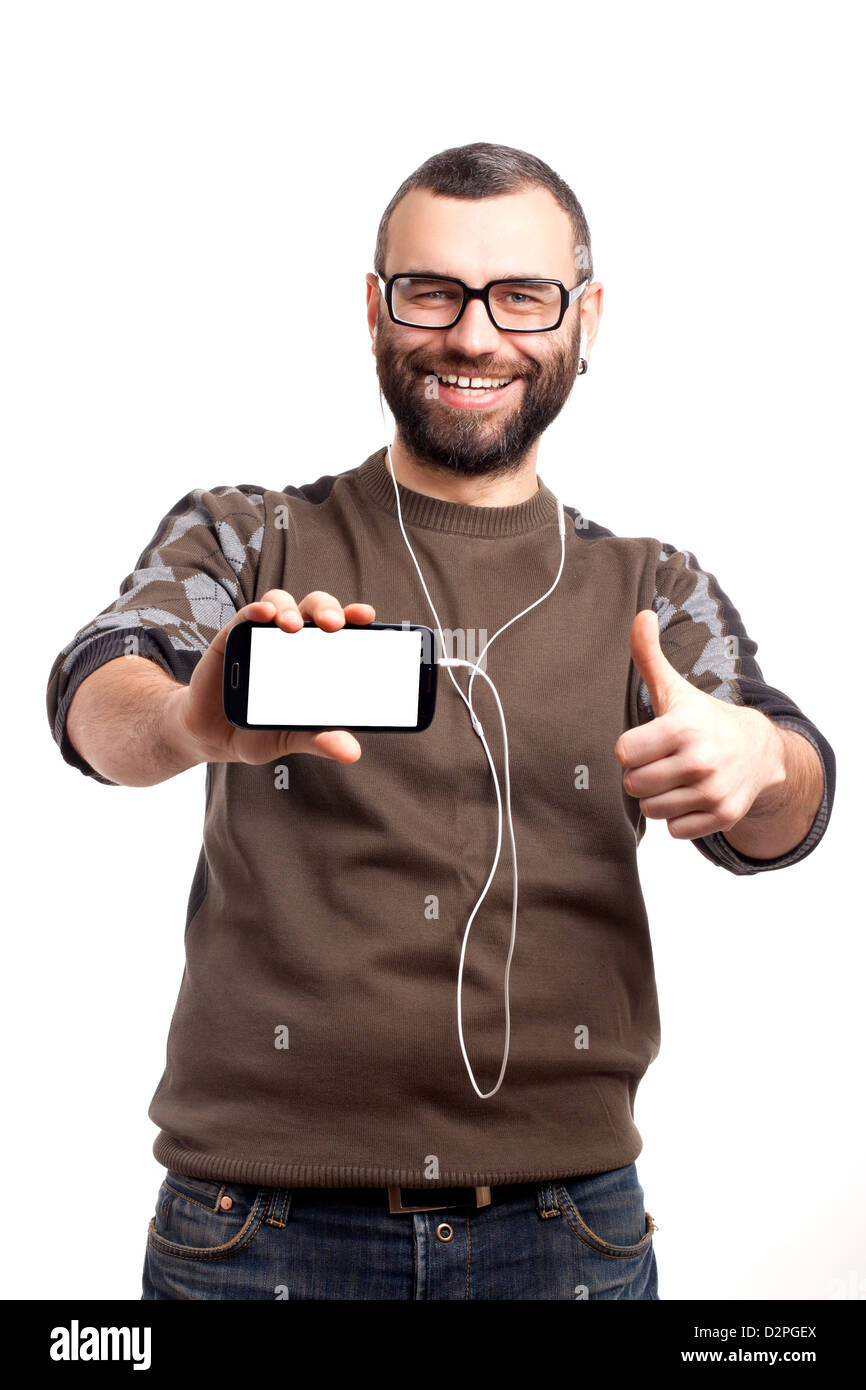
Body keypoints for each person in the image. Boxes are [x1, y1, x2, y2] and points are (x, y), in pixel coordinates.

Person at [46, 142, 834, 1302]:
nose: (474, 337)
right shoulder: (243, 533)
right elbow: (95, 697)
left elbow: (785, 801)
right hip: (251, 1230)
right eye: (432, 292)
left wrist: (760, 762)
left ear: (585, 317)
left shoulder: (650, 586)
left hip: (568, 1232)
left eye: (521, 296)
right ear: (375, 306)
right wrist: (186, 721)